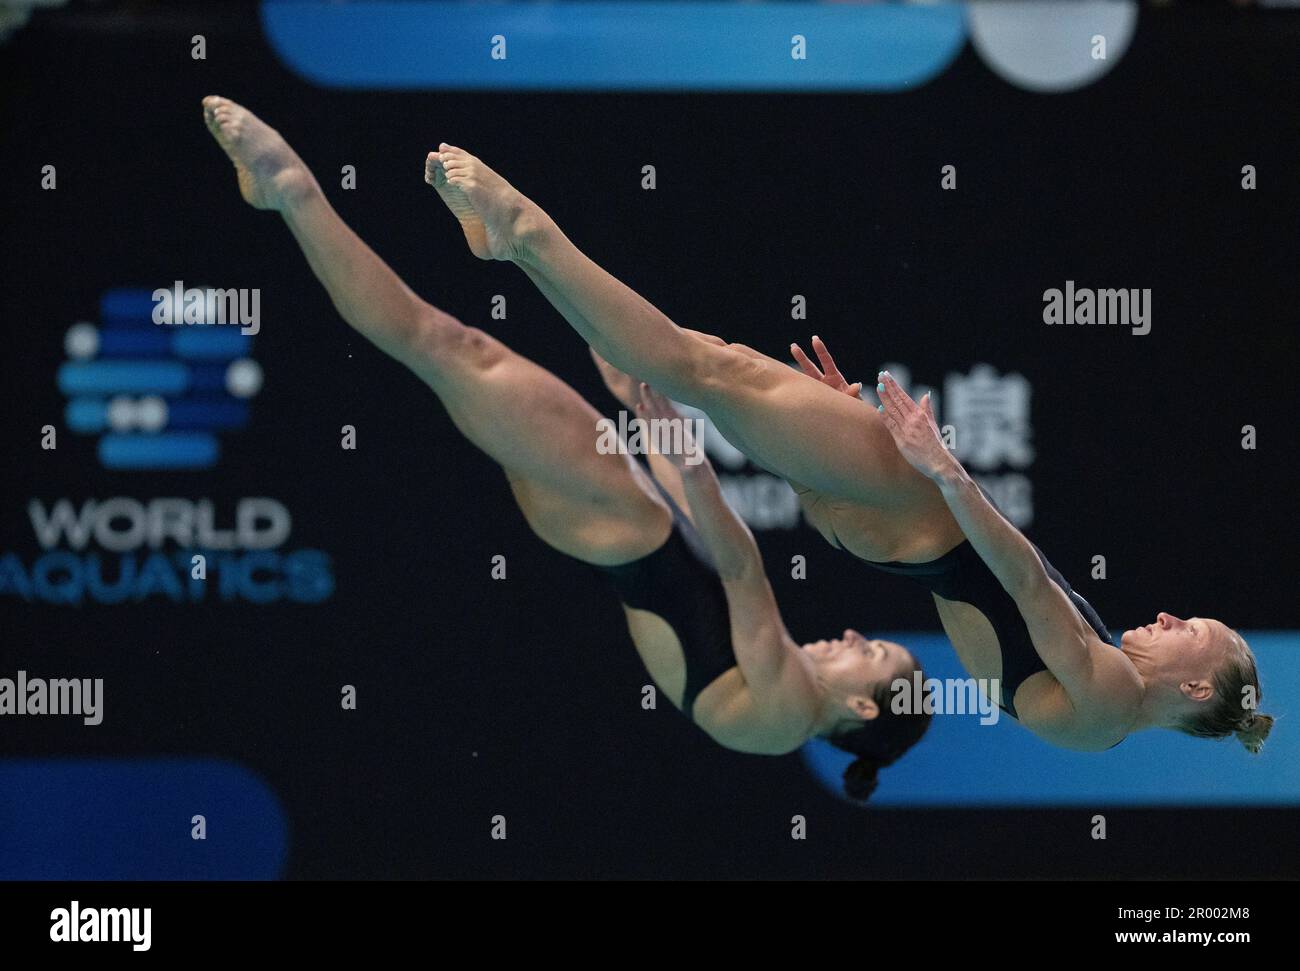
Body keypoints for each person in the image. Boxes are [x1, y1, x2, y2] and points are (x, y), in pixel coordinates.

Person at [423, 142, 1273, 755]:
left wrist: (941, 468)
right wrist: (842, 465)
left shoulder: (1115, 698)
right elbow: (977, 601)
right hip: (891, 535)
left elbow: (1019, 578)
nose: (1168, 614)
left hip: (920, 514)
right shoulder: (1097, 722)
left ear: (1197, 688)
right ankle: (524, 253)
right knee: (704, 366)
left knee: (702, 366)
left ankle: (524, 233)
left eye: (1191, 626)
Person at [200, 96, 932, 801]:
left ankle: (298, 191)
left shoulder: (785, 718)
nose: (854, 634)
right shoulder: (784, 694)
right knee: (454, 347)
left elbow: (740, 565)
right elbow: (705, 555)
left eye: (872, 654)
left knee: (444, 347)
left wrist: (683, 450)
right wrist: (649, 421)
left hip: (616, 517)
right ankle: (418, 220)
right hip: (627, 512)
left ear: (864, 709)